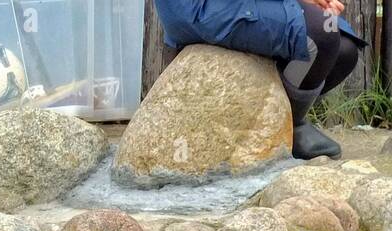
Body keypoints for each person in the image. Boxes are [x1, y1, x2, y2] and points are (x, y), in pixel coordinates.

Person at [152, 0, 365, 160]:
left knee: (343, 51)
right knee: (320, 36)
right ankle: (287, 127)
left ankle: (277, 120)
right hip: (199, 7)